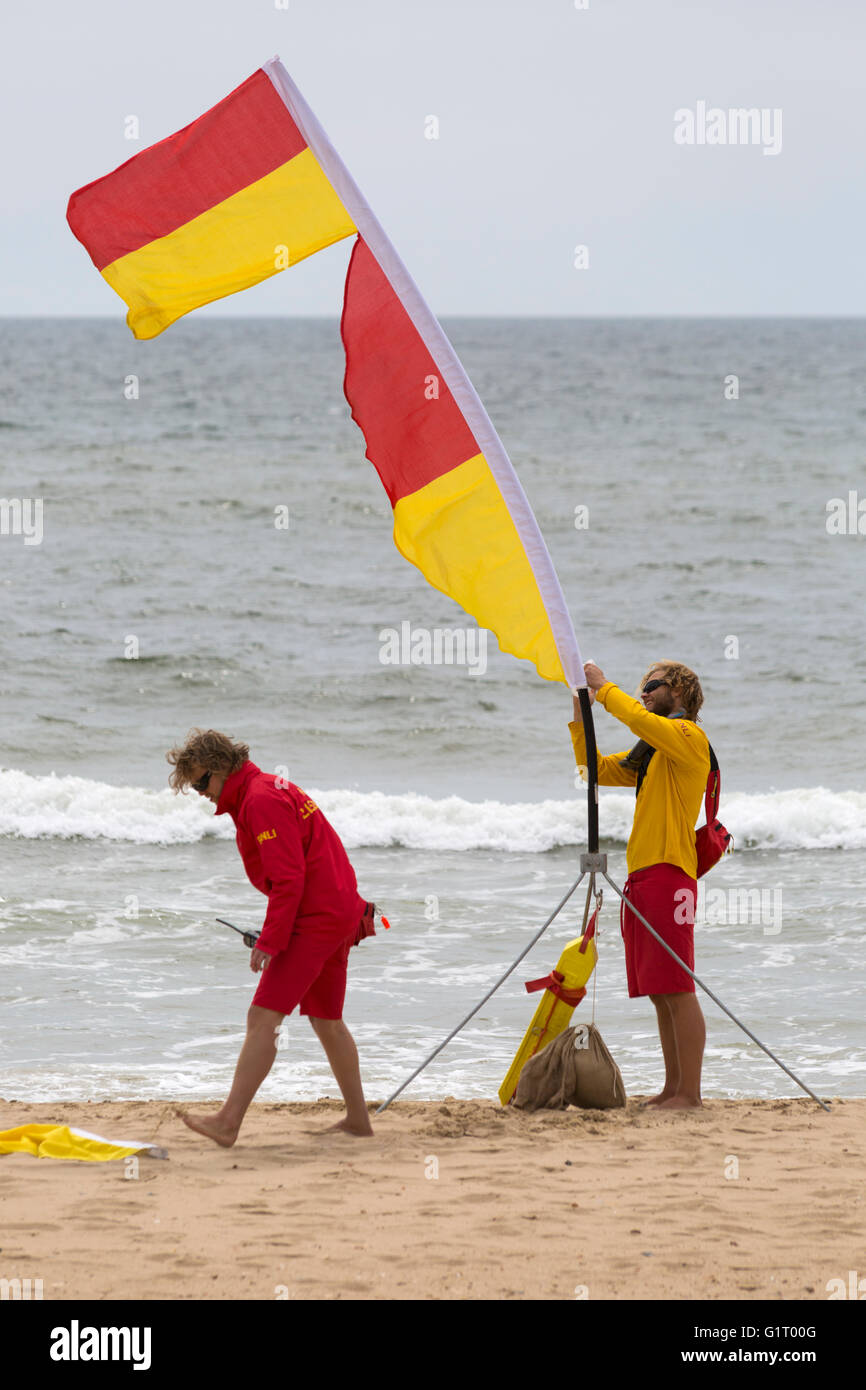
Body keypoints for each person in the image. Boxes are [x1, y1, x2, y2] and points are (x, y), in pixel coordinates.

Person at [166, 728, 374, 1144]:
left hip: (317, 917)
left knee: (263, 1017)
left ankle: (227, 1122)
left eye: (203, 781)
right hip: (338, 908)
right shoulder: (262, 791)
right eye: (194, 786)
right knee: (326, 1020)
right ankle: (357, 1121)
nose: (201, 792)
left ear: (223, 767)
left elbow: (289, 879)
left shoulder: (261, 800)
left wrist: (271, 941)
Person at [569, 660, 710, 1109]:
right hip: (643, 876)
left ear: (680, 691)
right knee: (659, 992)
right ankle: (673, 1087)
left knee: (678, 986)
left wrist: (605, 690)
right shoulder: (652, 757)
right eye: (641, 687)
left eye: (652, 685)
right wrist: (580, 714)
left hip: (670, 873)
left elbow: (640, 719)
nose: (644, 692)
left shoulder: (689, 739)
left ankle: (690, 1093)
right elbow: (593, 771)